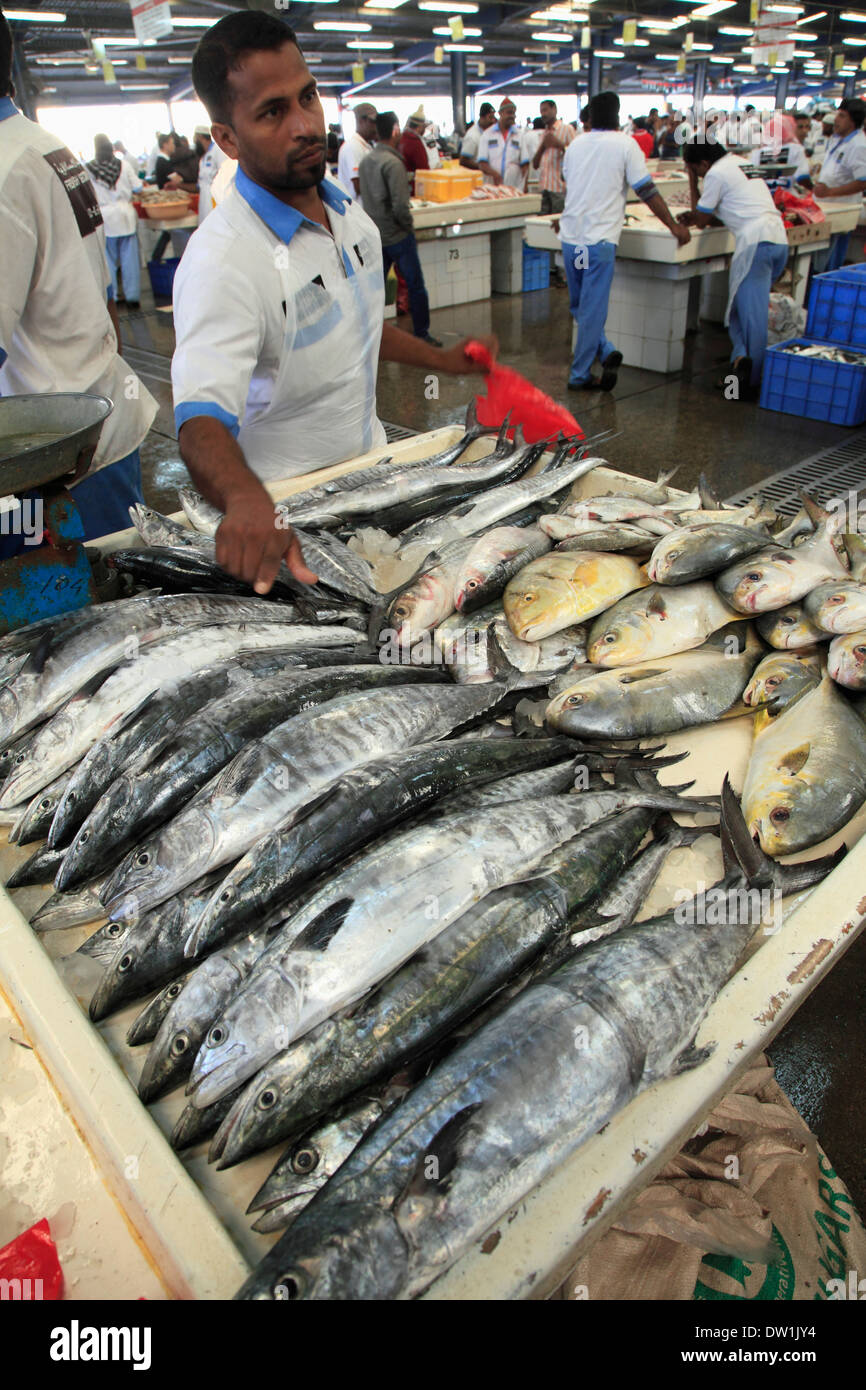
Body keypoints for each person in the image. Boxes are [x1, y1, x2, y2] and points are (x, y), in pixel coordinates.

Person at [171, 10, 496, 595]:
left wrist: (445, 361)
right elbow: (199, 422)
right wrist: (246, 501)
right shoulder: (223, 262)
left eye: (308, 97)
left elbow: (356, 322)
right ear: (226, 138)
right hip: (286, 523)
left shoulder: (346, 213)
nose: (304, 125)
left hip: (374, 481)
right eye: (273, 111)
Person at [0, 11, 156, 546]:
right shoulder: (46, 145)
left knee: (81, 615)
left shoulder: (3, 171)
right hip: (100, 416)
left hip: (56, 457)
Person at [559, 90, 689, 393]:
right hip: (599, 241)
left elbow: (575, 185)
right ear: (617, 116)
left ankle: (605, 351)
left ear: (590, 116)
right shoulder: (626, 145)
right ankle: (580, 375)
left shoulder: (576, 145)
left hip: (572, 241)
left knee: (580, 306)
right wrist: (672, 226)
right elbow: (646, 190)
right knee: (591, 310)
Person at [680, 135, 788, 394]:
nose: (696, 174)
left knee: (752, 318)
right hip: (778, 239)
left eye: (695, 169)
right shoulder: (742, 163)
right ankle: (740, 362)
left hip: (755, 244)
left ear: (704, 163)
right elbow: (733, 213)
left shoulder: (716, 173)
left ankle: (749, 384)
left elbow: (703, 219)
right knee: (738, 312)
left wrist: (693, 182)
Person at [358, 111, 439, 348]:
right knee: (416, 286)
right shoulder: (393, 163)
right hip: (398, 236)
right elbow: (400, 207)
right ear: (395, 130)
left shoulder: (366, 161)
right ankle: (422, 334)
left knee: (375, 291)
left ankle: (372, 337)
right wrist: (409, 229)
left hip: (375, 236)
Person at [87, 132, 143, 309]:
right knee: (130, 259)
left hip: (104, 218)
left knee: (108, 260)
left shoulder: (88, 168)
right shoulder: (123, 165)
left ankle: (113, 297)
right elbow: (138, 187)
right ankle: (132, 296)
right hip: (125, 215)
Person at [812, 98, 866, 271]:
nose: (836, 119)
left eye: (842, 116)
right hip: (825, 209)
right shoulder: (838, 139)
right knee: (818, 260)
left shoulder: (859, 146)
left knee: (828, 265)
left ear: (853, 121)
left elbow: (862, 182)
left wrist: (829, 192)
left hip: (840, 213)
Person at [532, 98, 576, 216]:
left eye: (545, 110)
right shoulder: (543, 134)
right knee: (543, 228)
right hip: (544, 188)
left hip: (559, 189)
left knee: (559, 226)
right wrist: (543, 146)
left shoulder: (567, 130)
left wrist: (560, 145)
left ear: (554, 109)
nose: (543, 114)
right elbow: (535, 165)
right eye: (541, 111)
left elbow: (576, 156)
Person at [752, 111, 812, 188]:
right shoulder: (796, 149)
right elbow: (802, 178)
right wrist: (813, 189)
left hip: (763, 195)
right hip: (785, 196)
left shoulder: (759, 152)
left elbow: (752, 176)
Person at [477, 99, 529, 189]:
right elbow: (482, 163)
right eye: (509, 113)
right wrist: (495, 175)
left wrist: (525, 185)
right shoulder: (488, 134)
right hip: (492, 188)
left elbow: (525, 164)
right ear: (500, 113)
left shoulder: (519, 135)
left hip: (514, 188)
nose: (512, 116)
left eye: (514, 113)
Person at [337, 102, 377, 204]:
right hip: (358, 209)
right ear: (360, 121)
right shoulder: (352, 147)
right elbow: (358, 185)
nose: (375, 126)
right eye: (372, 122)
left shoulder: (366, 145)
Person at [195, 123, 227, 223]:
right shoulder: (203, 157)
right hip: (204, 201)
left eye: (195, 139)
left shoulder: (218, 150)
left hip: (215, 200)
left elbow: (226, 175)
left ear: (200, 137)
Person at [399, 106, 430, 195]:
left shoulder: (400, 138)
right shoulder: (415, 142)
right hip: (413, 189)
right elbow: (424, 170)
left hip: (400, 186)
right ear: (421, 127)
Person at [459, 102, 495, 169]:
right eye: (490, 117)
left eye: (493, 117)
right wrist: (484, 168)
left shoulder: (490, 132)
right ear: (482, 117)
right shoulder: (472, 136)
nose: (493, 121)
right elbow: (463, 161)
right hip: (477, 176)